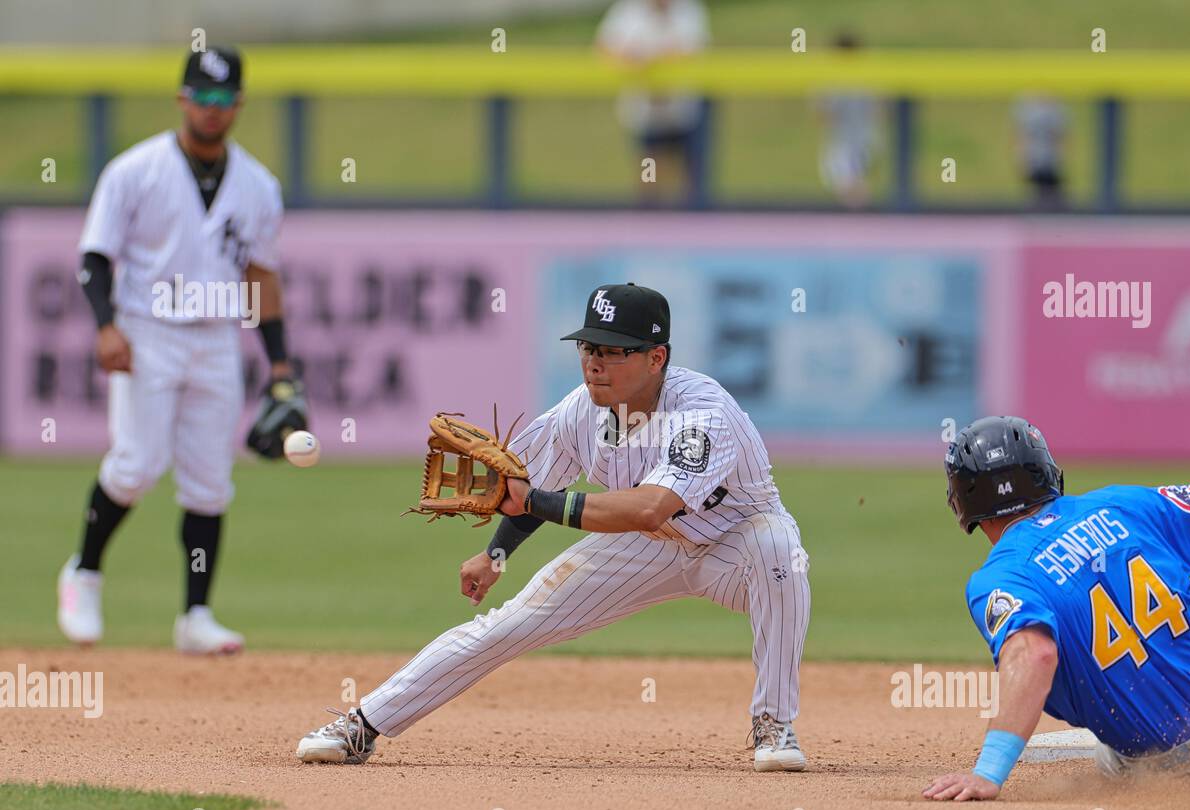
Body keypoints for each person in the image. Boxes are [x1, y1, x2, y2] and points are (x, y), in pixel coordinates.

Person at [296, 283, 812, 771]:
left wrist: (538, 501)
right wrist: (495, 556)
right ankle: (362, 724)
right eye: (589, 345)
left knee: (778, 552)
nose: (594, 361)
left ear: (656, 358)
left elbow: (650, 506)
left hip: (734, 540)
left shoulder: (703, 412)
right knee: (508, 625)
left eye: (613, 350)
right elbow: (526, 489)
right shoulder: (579, 412)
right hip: (648, 547)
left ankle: (774, 723)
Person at [56, 46, 295, 655]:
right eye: (201, 97)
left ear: (237, 106)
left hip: (217, 336)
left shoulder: (258, 186)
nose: (211, 110)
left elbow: (261, 280)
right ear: (181, 99)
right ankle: (82, 573)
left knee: (210, 485)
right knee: (135, 466)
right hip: (148, 331)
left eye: (223, 100)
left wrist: (282, 367)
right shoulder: (135, 171)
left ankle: (195, 616)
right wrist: (106, 325)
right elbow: (94, 257)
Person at [925, 415, 1190, 801]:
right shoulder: (1120, 503)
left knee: (1111, 757)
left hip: (1179, 763)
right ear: (1043, 468)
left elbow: (1035, 653)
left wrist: (988, 772)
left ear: (964, 500)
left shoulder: (999, 578)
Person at [596, 0, 711, 205]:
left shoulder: (688, 10)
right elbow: (604, 50)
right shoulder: (628, 11)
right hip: (645, 114)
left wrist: (651, 60)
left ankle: (689, 222)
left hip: (684, 112)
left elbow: (691, 51)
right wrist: (630, 60)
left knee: (690, 181)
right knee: (649, 176)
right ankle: (650, 221)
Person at [816, 32, 878, 208]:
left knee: (851, 189)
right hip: (847, 142)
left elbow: (823, 115)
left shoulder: (863, 77)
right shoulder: (833, 78)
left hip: (855, 142)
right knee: (849, 187)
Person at [1014, 95, 1067, 210]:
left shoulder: (1055, 112)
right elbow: (1023, 136)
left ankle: (1052, 208)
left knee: (1051, 185)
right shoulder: (1028, 111)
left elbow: (1059, 136)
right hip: (1036, 156)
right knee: (1038, 186)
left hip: (1049, 158)